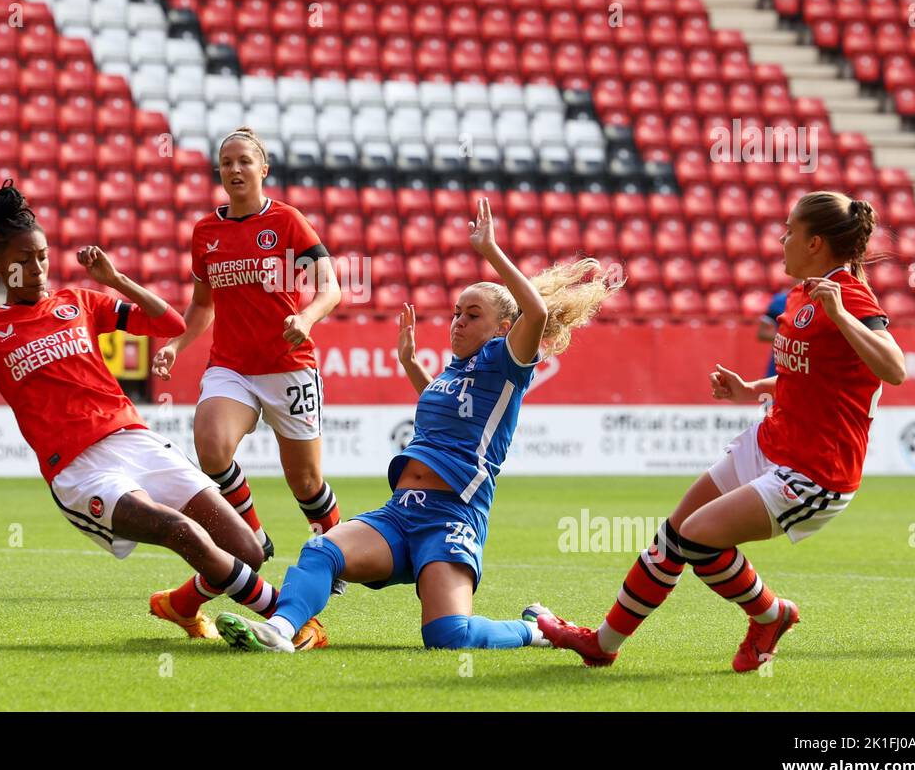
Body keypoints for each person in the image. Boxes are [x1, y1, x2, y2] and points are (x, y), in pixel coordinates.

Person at [0, 180, 324, 647]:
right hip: (80, 472)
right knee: (182, 531)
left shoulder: (77, 302)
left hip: (135, 440)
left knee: (246, 550)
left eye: (42, 256)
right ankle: (290, 621)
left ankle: (180, 606)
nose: (36, 268)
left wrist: (114, 280)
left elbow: (171, 324)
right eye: (22, 259)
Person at [212, 199, 620, 652]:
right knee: (322, 549)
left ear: (504, 327)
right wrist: (410, 364)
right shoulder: (452, 371)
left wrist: (489, 250)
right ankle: (282, 632)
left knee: (447, 637)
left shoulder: (507, 362)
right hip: (402, 511)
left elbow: (537, 316)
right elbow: (440, 403)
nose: (458, 322)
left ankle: (537, 630)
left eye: (472, 315)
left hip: (452, 516)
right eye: (456, 313)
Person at [536, 191, 905, 671]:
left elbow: (894, 368)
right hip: (772, 440)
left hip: (815, 471)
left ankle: (770, 615)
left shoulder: (848, 296)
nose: (781, 238)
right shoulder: (802, 291)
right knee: (673, 535)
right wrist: (752, 387)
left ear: (816, 242)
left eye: (790, 230)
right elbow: (809, 375)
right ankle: (602, 645)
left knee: (697, 537)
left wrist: (840, 315)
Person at [152, 128, 343, 564]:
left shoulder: (287, 222)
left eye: (244, 161)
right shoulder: (205, 232)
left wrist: (306, 317)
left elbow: (330, 288)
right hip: (232, 366)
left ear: (263, 169)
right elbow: (204, 305)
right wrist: (177, 344)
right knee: (210, 445)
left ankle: (336, 555)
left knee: (306, 482)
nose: (235, 169)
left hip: (288, 365)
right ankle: (254, 536)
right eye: (227, 163)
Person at [757, 287, 789, 377]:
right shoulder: (781, 300)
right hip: (779, 364)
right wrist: (788, 339)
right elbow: (762, 333)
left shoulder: (821, 299)